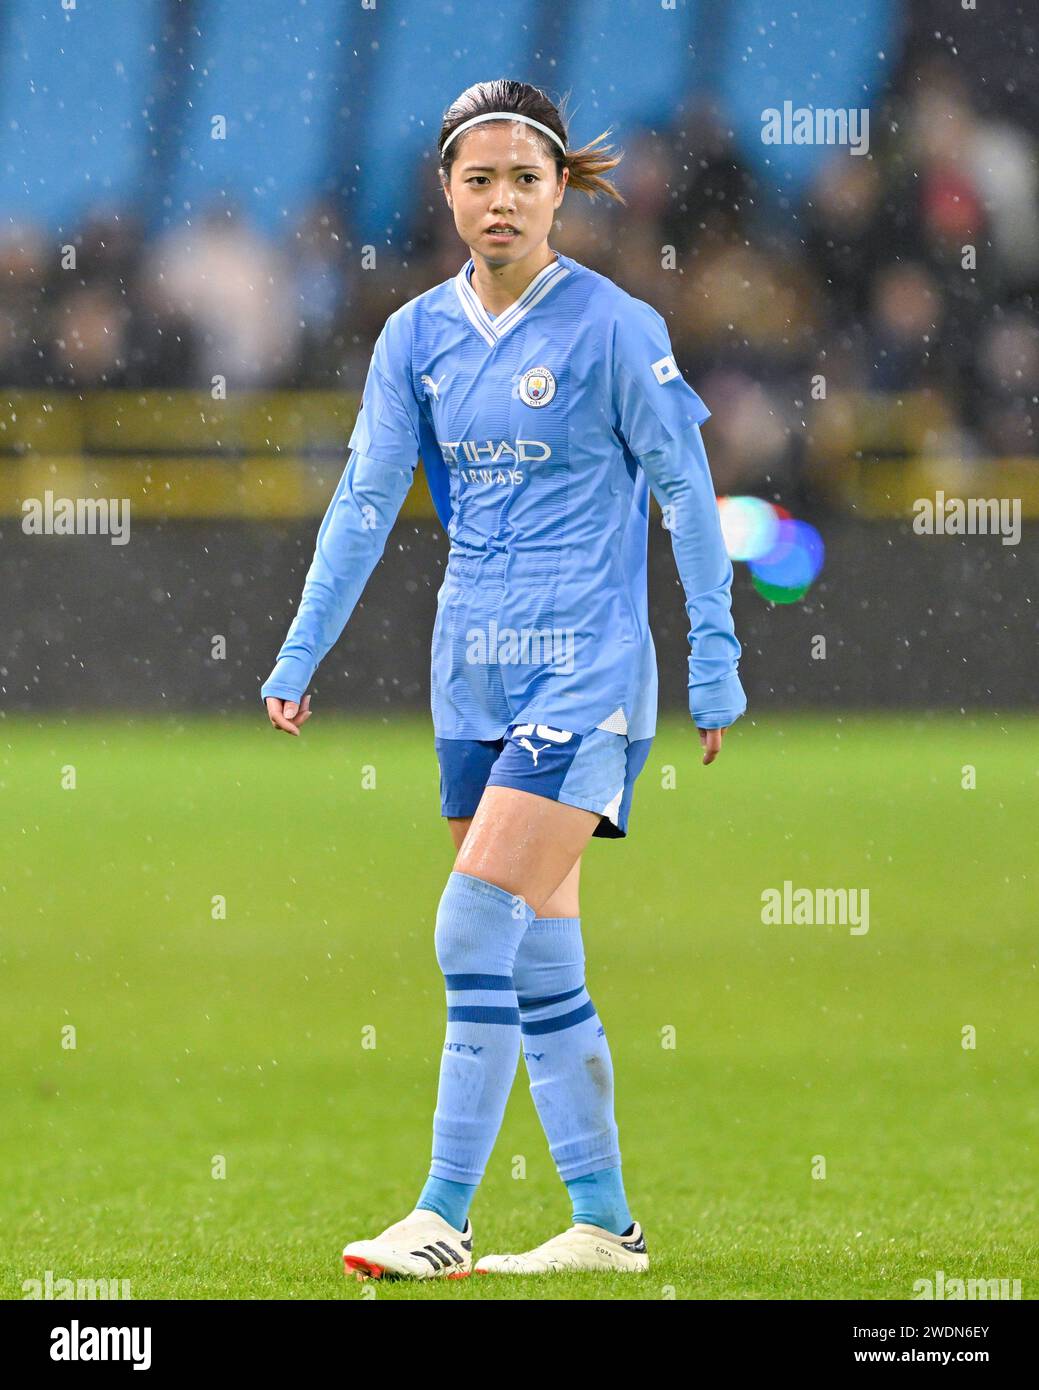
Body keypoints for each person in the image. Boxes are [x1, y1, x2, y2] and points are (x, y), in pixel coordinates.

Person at [261, 78, 746, 1280]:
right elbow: (365, 502)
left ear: (557, 192)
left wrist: (715, 653)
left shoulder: (616, 326)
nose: (500, 201)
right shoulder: (413, 338)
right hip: (470, 672)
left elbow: (687, 493)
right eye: (477, 179)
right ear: (445, 192)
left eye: (524, 179)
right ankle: (604, 1224)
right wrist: (300, 647)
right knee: (538, 961)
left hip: (585, 672)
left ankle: (440, 1213)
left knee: (472, 923)